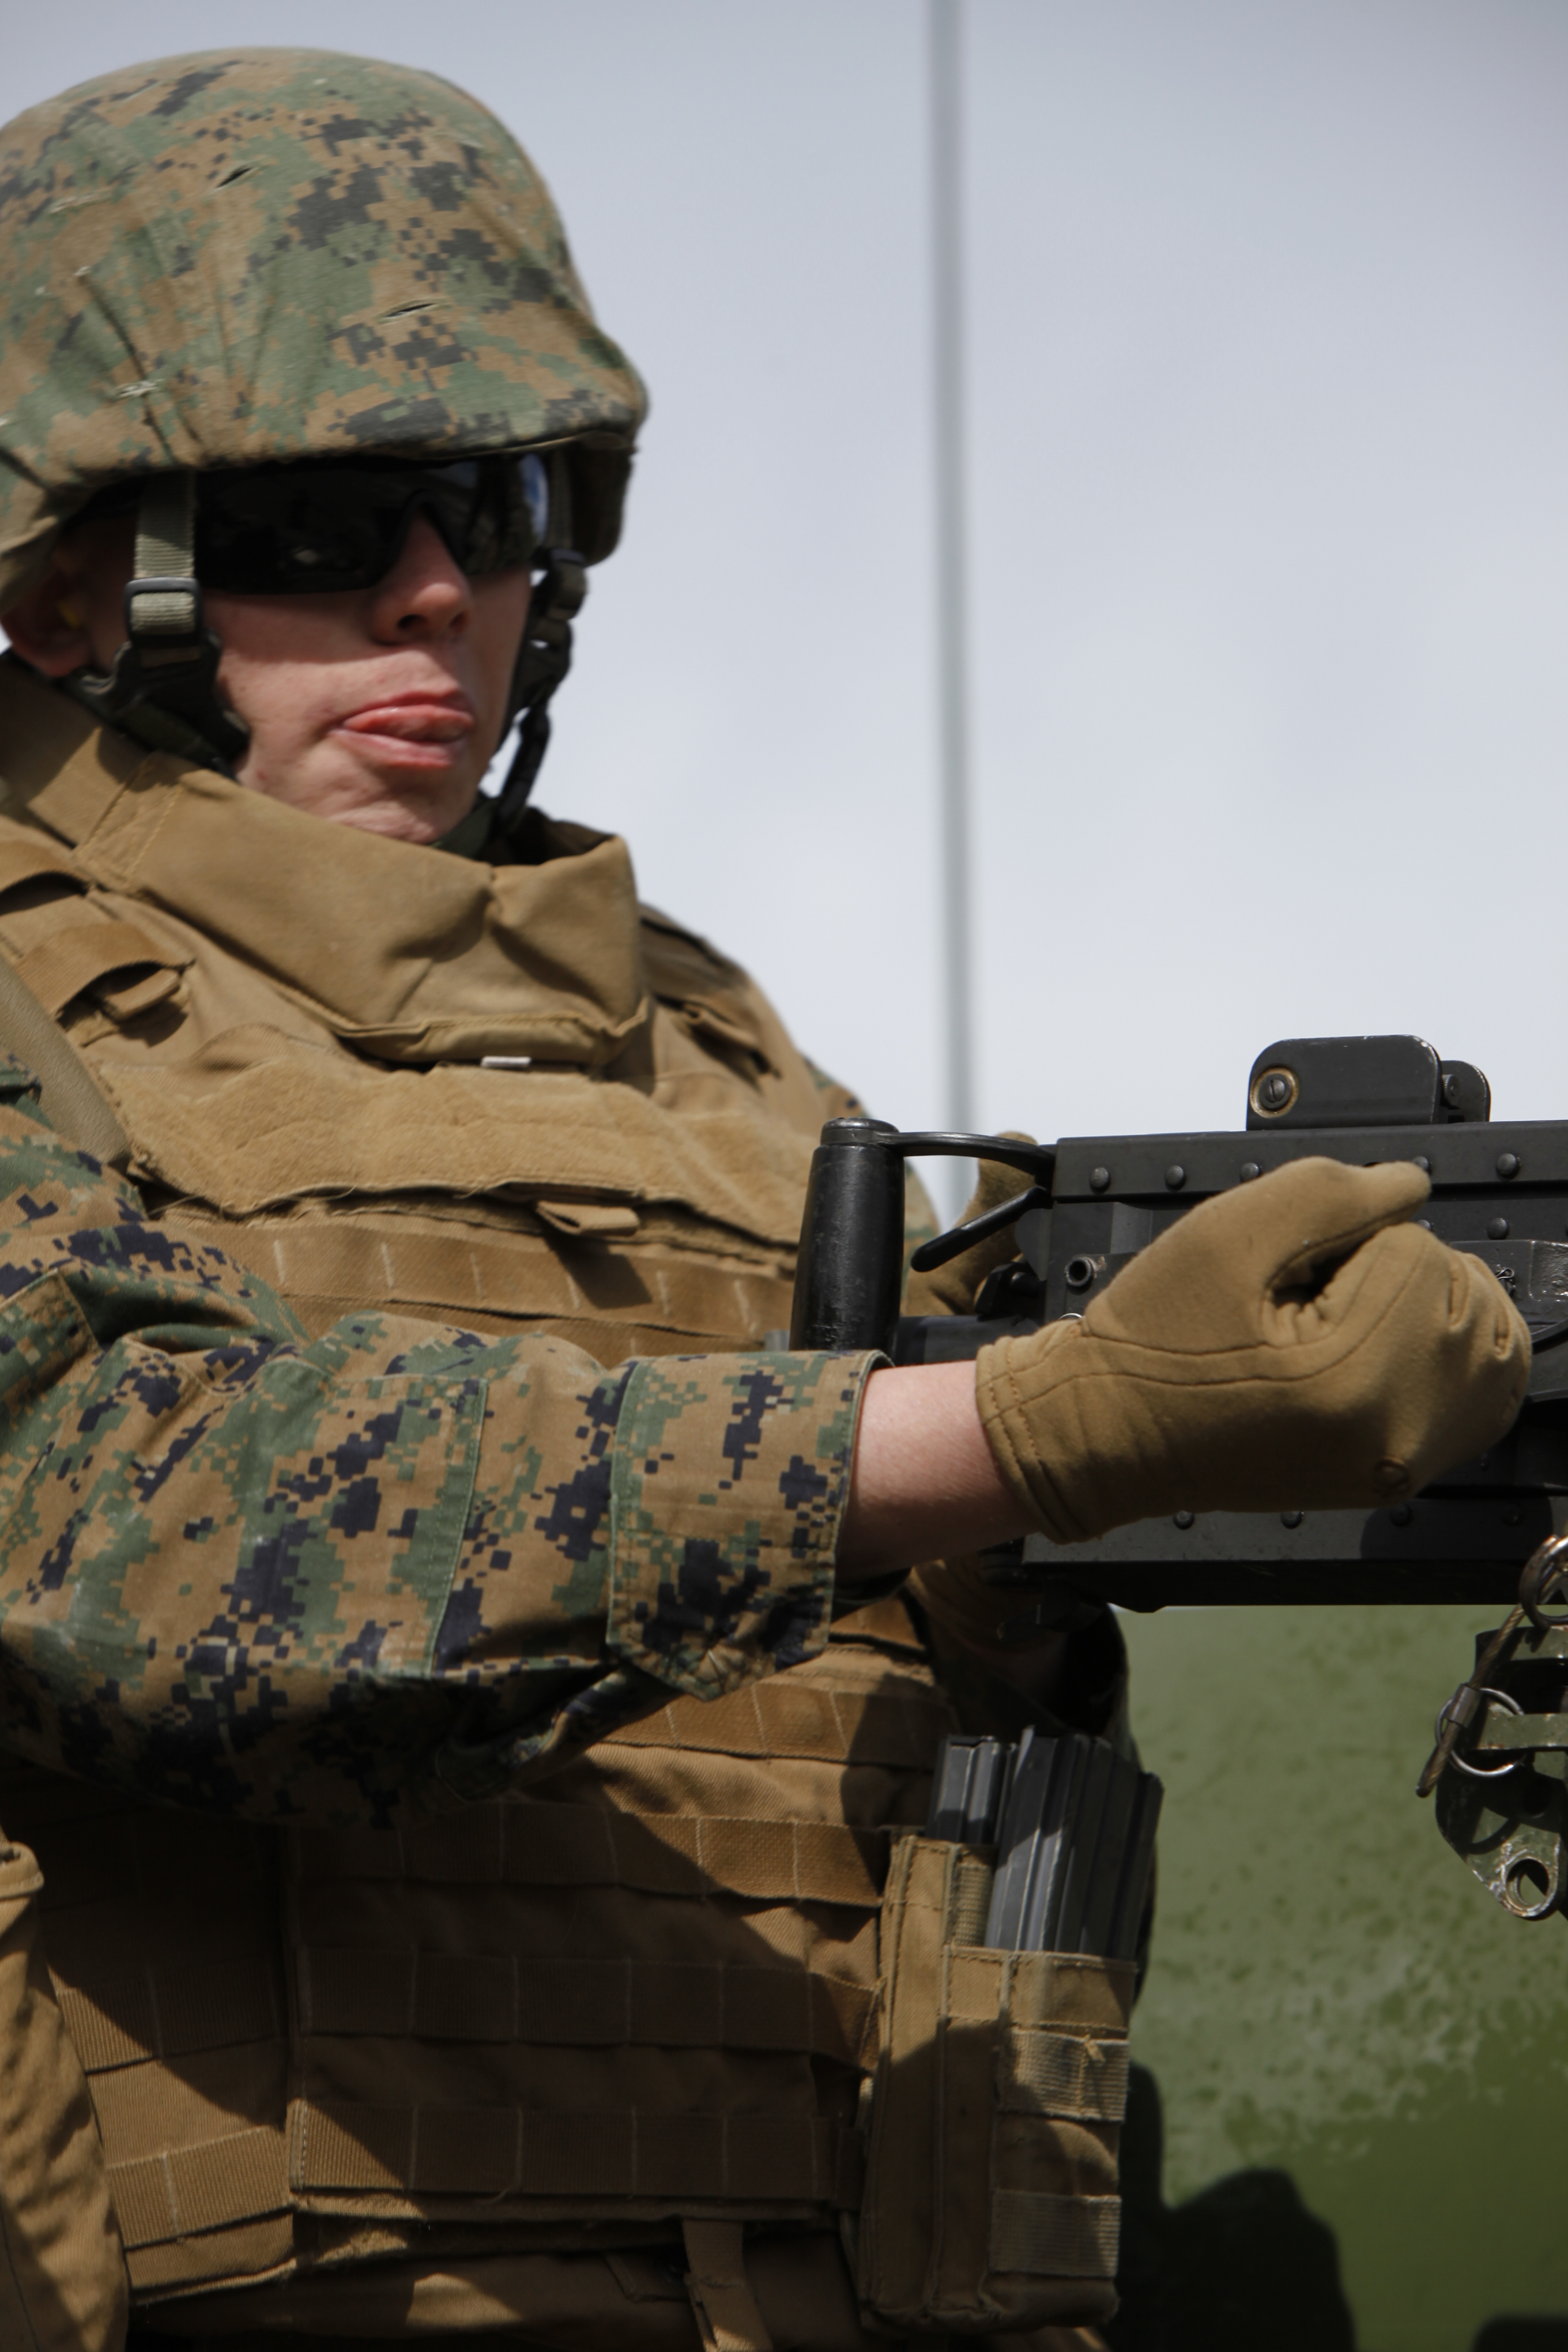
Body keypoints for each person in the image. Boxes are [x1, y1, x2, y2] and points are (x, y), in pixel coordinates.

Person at [0, 48, 1527, 2352]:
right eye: (328, 517)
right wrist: (1000, 1436)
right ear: (62, 571)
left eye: (500, 506)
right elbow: (123, 1539)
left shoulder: (726, 1068)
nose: (438, 592)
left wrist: (1057, 1536)